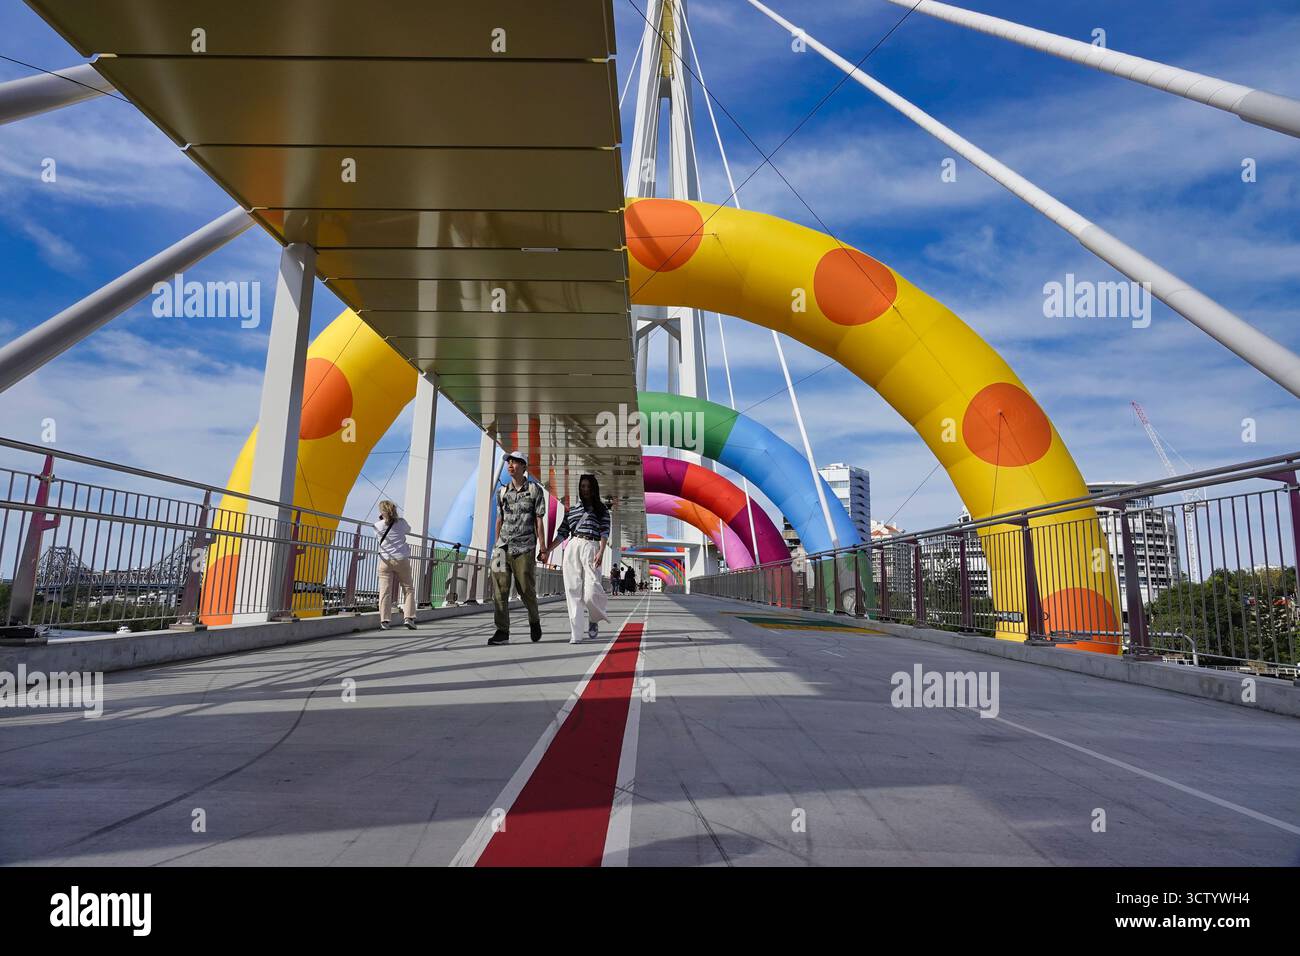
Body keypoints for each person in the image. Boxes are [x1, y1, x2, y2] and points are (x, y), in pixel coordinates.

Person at [539, 475, 610, 644]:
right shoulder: (572, 510)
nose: (585, 489)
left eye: (588, 486)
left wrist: (601, 551)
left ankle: (593, 618)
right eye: (582, 486)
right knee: (572, 591)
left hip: (592, 546)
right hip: (573, 546)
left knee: (592, 590)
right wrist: (548, 550)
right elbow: (562, 533)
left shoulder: (601, 510)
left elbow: (605, 531)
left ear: (594, 489)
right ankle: (576, 634)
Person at [488, 449, 546, 646]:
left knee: (525, 590)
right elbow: (499, 519)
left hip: (525, 547)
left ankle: (534, 621)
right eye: (508, 462)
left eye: (515, 462)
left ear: (524, 466)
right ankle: (502, 631)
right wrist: (496, 545)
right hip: (502, 547)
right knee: (499, 590)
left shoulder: (534, 490)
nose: (510, 465)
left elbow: (539, 520)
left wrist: (543, 548)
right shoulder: (502, 492)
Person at [375, 500, 417, 630]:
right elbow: (408, 530)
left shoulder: (377, 525)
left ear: (381, 512)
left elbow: (378, 536)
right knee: (408, 589)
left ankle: (385, 621)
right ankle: (408, 618)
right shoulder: (402, 522)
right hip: (401, 559)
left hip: (385, 560)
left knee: (385, 591)